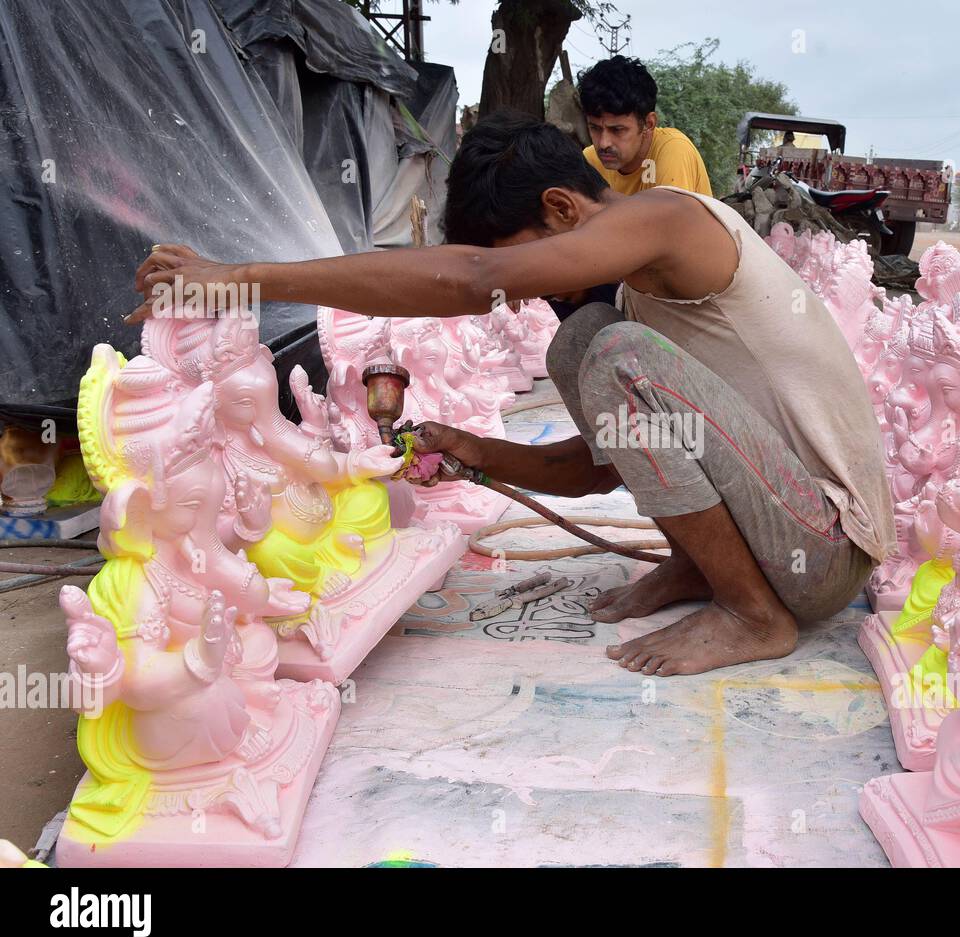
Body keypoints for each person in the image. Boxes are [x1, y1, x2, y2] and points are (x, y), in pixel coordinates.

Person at [129, 112, 893, 678]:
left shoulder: (666, 218)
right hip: (783, 526)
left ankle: (754, 614)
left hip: (823, 546)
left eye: (523, 264)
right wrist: (477, 452)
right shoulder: (631, 296)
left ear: (561, 209)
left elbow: (470, 279)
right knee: (585, 338)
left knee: (613, 351)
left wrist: (243, 277)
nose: (519, 295)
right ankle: (706, 567)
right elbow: (606, 468)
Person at [578, 55, 711, 197]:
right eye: (595, 128)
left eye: (617, 130)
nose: (604, 144)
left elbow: (668, 218)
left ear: (649, 124)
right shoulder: (590, 160)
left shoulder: (673, 150)